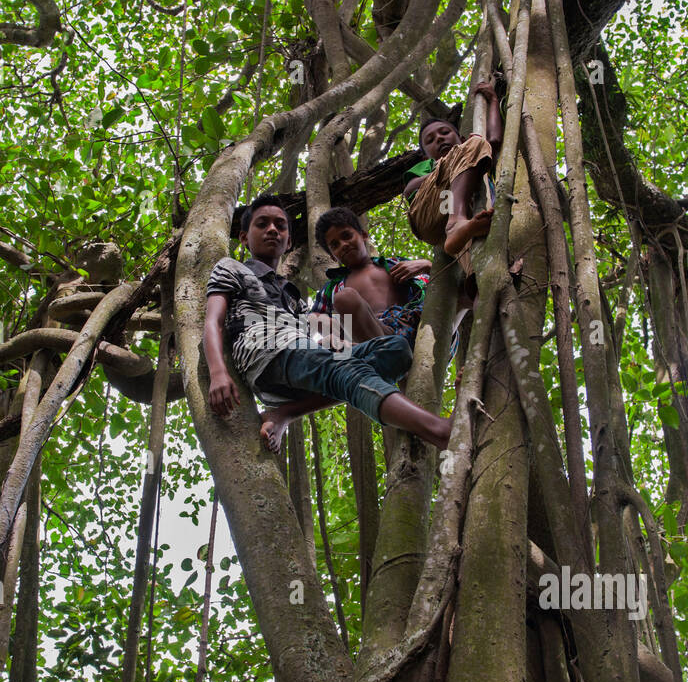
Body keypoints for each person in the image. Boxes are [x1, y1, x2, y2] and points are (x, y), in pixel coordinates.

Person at [204, 195, 451, 454]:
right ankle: (438, 431)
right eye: (262, 224)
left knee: (395, 349)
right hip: (265, 350)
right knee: (346, 371)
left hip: (299, 355)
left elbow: (315, 330)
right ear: (244, 237)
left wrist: (336, 340)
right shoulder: (231, 267)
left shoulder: (291, 295)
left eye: (280, 225)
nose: (272, 230)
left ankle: (286, 413)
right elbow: (213, 321)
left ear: (288, 242)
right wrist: (218, 372)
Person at [402, 81, 504, 281]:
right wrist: (446, 164)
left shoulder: (473, 155)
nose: (439, 139)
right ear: (426, 157)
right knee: (475, 144)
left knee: (481, 277)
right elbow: (409, 190)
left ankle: (460, 229)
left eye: (445, 132)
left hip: (455, 219)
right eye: (430, 140)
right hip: (432, 211)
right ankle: (455, 222)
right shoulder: (430, 166)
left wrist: (492, 100)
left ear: (460, 136)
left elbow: (493, 142)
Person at [309, 207, 433, 346]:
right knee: (344, 298)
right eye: (335, 245)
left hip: (418, 329)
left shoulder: (395, 264)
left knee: (460, 292)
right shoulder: (333, 287)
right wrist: (340, 328)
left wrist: (427, 265)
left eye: (347, 236)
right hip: (378, 340)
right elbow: (313, 318)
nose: (343, 245)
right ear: (332, 256)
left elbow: (437, 286)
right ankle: (383, 351)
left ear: (363, 235)